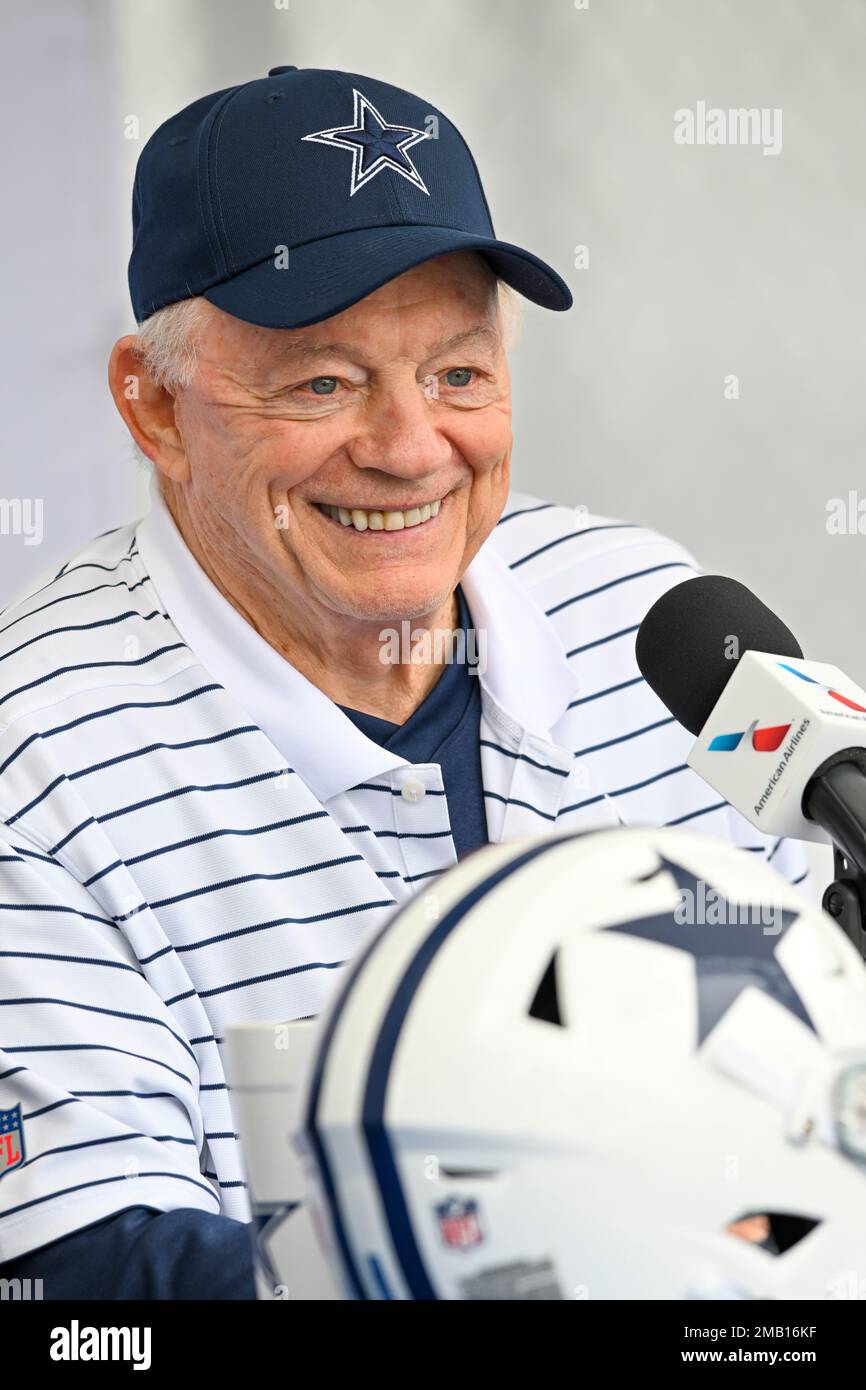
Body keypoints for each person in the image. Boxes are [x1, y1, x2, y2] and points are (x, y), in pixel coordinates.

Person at [0, 65, 808, 1298]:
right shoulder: (37, 751)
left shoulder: (652, 617)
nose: (407, 449)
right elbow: (84, 1277)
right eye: (322, 382)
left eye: (457, 375)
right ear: (154, 406)